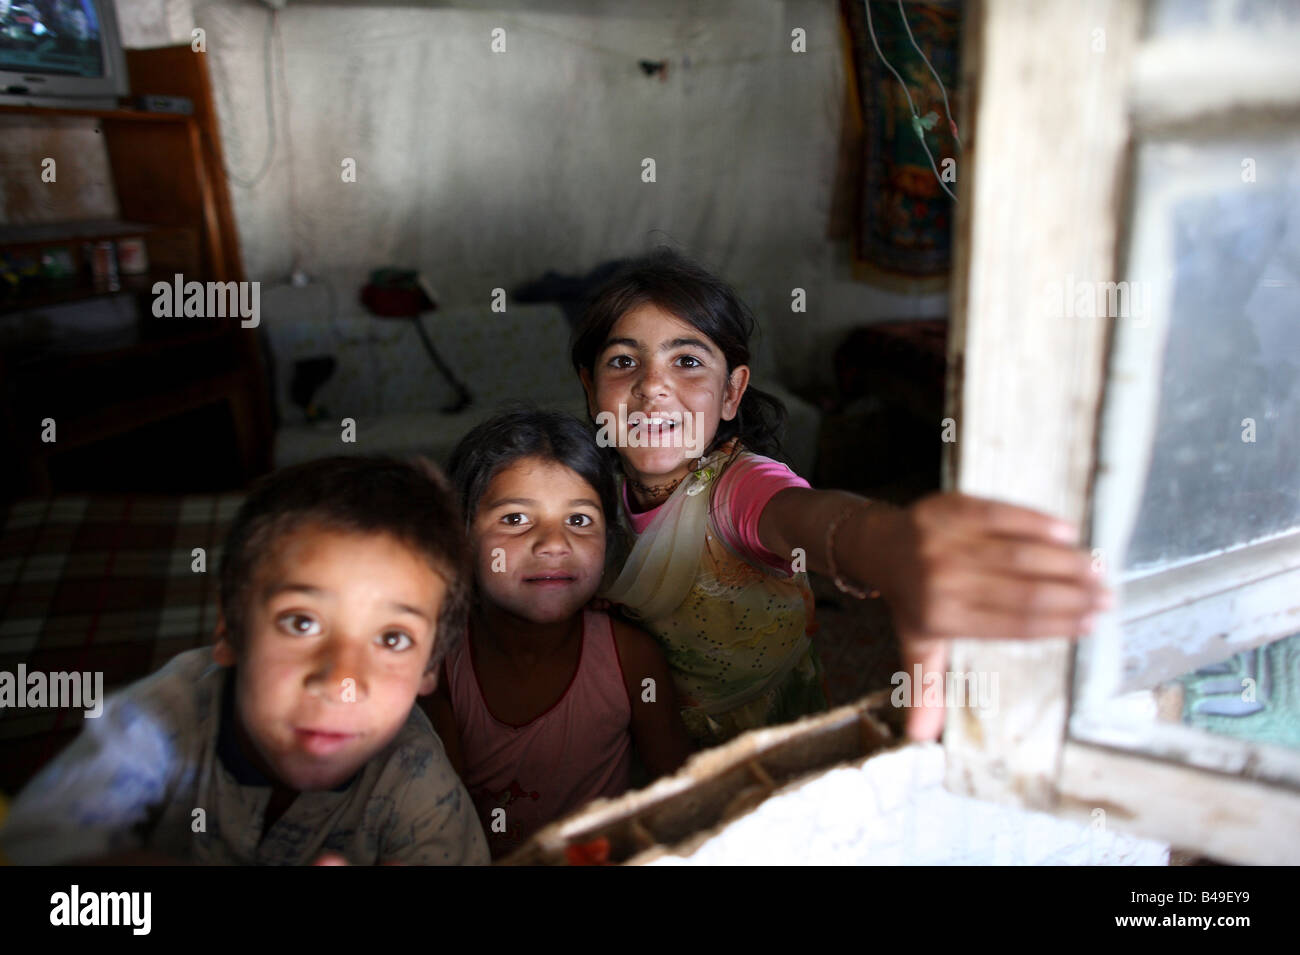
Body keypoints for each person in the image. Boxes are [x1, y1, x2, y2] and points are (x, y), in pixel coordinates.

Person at [570, 248, 1113, 746]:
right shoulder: (591, 496)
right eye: (623, 362)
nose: (652, 387)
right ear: (591, 389)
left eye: (686, 362)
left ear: (732, 392)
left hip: (760, 752)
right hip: (644, 741)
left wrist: (897, 545)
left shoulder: (740, 489)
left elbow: (819, 521)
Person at [0, 456, 489, 865]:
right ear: (231, 629)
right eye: (301, 623)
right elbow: (37, 851)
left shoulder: (419, 782)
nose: (340, 679)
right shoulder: (161, 717)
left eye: (393, 638)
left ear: (430, 667)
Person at [422, 407, 690, 858]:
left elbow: (682, 800)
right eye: (514, 519)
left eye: (580, 520)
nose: (552, 544)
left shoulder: (631, 659)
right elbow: (443, 830)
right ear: (461, 537)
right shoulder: (440, 667)